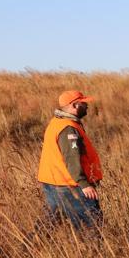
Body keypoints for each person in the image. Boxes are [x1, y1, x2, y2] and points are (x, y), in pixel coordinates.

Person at [36, 90, 105, 231]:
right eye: (84, 103)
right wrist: (84, 184)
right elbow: (71, 158)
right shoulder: (68, 128)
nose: (87, 106)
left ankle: (27, 251)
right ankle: (93, 253)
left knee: (47, 226)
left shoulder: (56, 122)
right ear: (74, 105)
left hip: (54, 183)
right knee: (92, 226)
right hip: (71, 186)